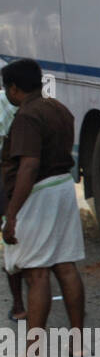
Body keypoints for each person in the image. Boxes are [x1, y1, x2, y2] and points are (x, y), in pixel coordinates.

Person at [0, 58, 86, 357]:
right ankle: (78, 343)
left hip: (37, 193)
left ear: (14, 88)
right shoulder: (58, 108)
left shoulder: (27, 117)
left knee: (36, 272)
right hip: (63, 188)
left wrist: (12, 213)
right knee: (65, 265)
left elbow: (28, 165)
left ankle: (32, 355)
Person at [0, 85, 25, 321]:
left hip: (6, 176)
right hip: (22, 176)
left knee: (10, 240)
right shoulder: (21, 104)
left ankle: (18, 305)